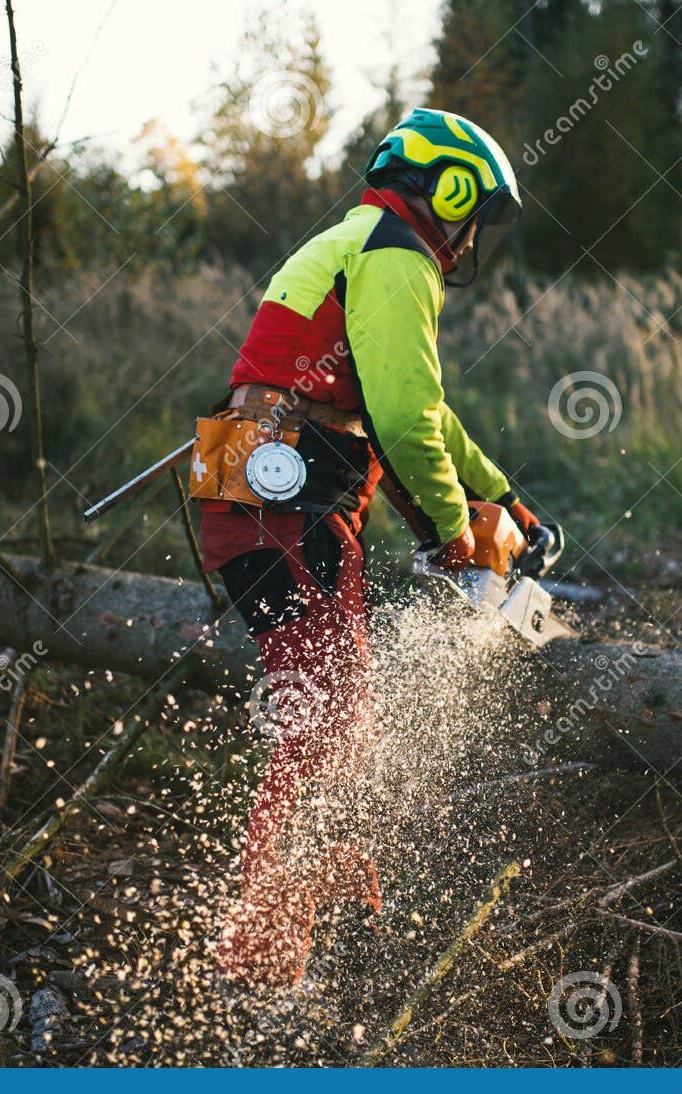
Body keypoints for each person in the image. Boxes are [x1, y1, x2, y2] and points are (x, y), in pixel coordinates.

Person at [197, 109, 544, 987]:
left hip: (267, 488)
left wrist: (495, 495)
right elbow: (398, 416)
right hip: (286, 502)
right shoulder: (397, 254)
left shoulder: (362, 240)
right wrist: (456, 536)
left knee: (332, 716)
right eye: (471, 212)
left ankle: (319, 925)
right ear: (451, 189)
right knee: (327, 723)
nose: (470, 237)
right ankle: (266, 958)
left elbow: (416, 415)